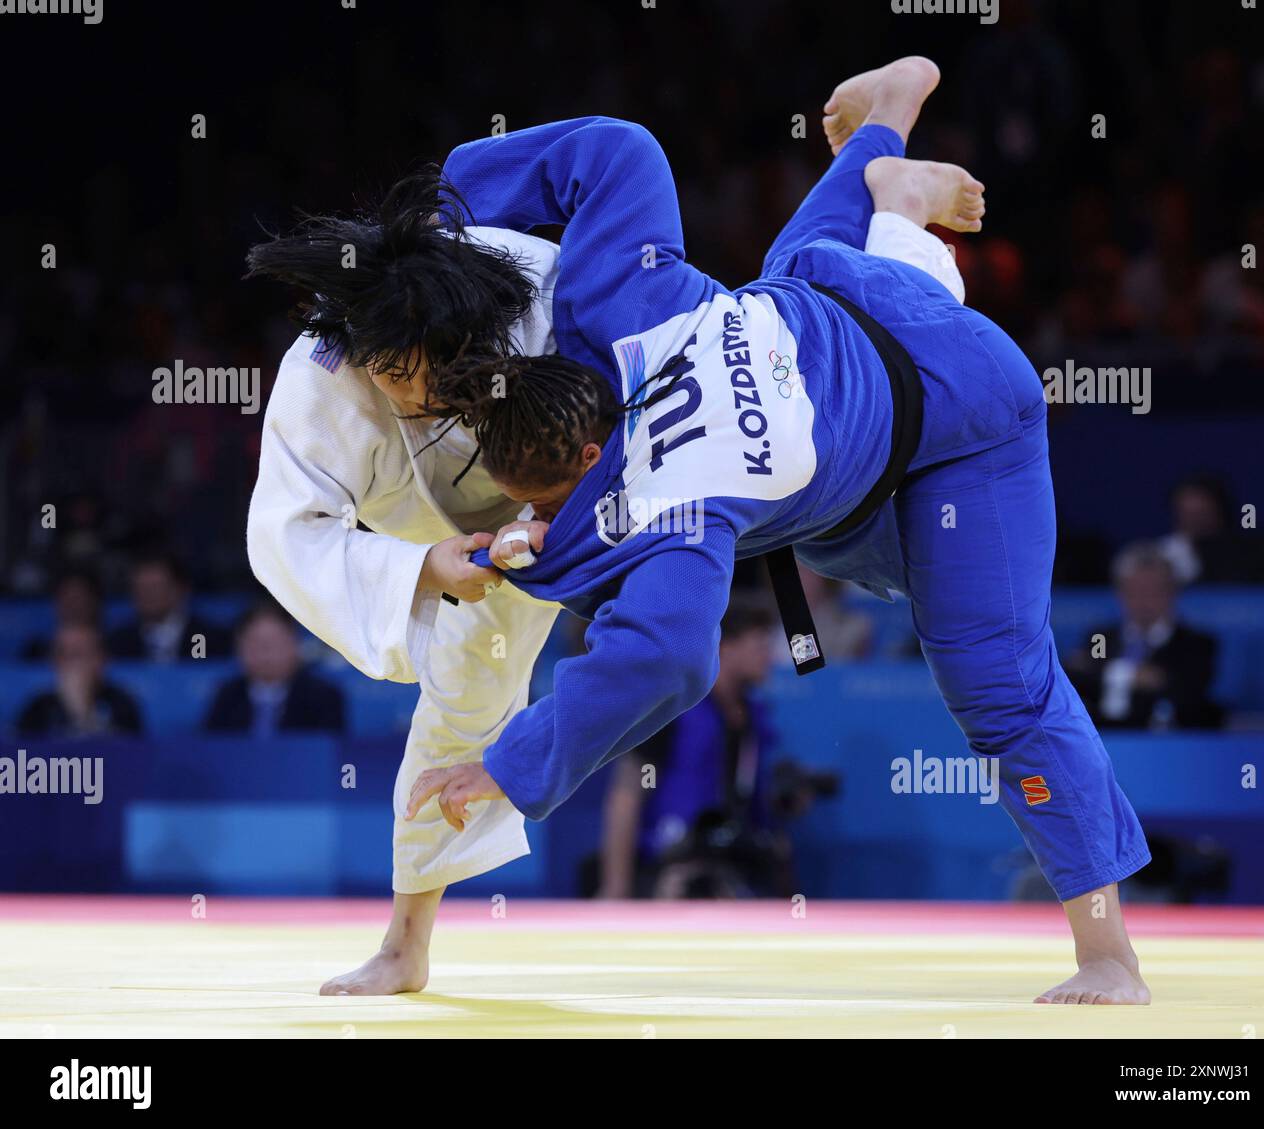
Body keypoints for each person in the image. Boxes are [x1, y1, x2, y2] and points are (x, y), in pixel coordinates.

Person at [405, 58, 1153, 1005]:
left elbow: (666, 657)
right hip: (831, 289)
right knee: (791, 297)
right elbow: (615, 151)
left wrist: (514, 764)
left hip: (966, 414)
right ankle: (890, 164)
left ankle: (1108, 956)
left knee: (998, 681)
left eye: (540, 503)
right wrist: (442, 215)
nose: (537, 519)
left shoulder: (679, 511)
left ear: (592, 455)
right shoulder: (618, 302)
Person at [243, 164, 563, 995]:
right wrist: (423, 568)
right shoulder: (322, 369)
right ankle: (404, 946)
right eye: (387, 373)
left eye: (416, 369)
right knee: (461, 683)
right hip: (427, 517)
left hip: (575, 469)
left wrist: (566, 503)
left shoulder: (528, 287)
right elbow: (283, 533)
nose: (406, 391)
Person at [597, 593, 783, 899]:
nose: (769, 656)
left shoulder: (751, 718)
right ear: (725, 646)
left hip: (728, 865)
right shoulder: (670, 709)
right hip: (666, 867)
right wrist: (616, 888)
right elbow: (625, 797)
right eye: (760, 643)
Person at [1067, 542, 1222, 730]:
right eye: (1135, 590)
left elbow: (1186, 696)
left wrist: (1106, 674)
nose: (1144, 600)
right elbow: (1077, 680)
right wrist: (1134, 676)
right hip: (1104, 740)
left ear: (1172, 592)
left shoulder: (1196, 644)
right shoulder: (1101, 638)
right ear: (1120, 593)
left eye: (1154, 590)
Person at [204, 603, 346, 736]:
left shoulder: (324, 697)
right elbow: (213, 751)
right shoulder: (226, 696)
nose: (265, 652)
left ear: (294, 644)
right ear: (239, 647)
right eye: (256, 643)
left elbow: (327, 754)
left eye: (274, 642)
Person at [16, 623, 143, 738]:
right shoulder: (39, 707)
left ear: (101, 660)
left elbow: (126, 756)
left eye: (78, 654)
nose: (71, 663)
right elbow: (20, 754)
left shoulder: (122, 704)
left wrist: (82, 713)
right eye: (63, 654)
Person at [106, 552, 232, 662]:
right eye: (140, 588)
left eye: (156, 587)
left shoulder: (205, 638)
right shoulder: (117, 642)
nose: (147, 595)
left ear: (182, 589)